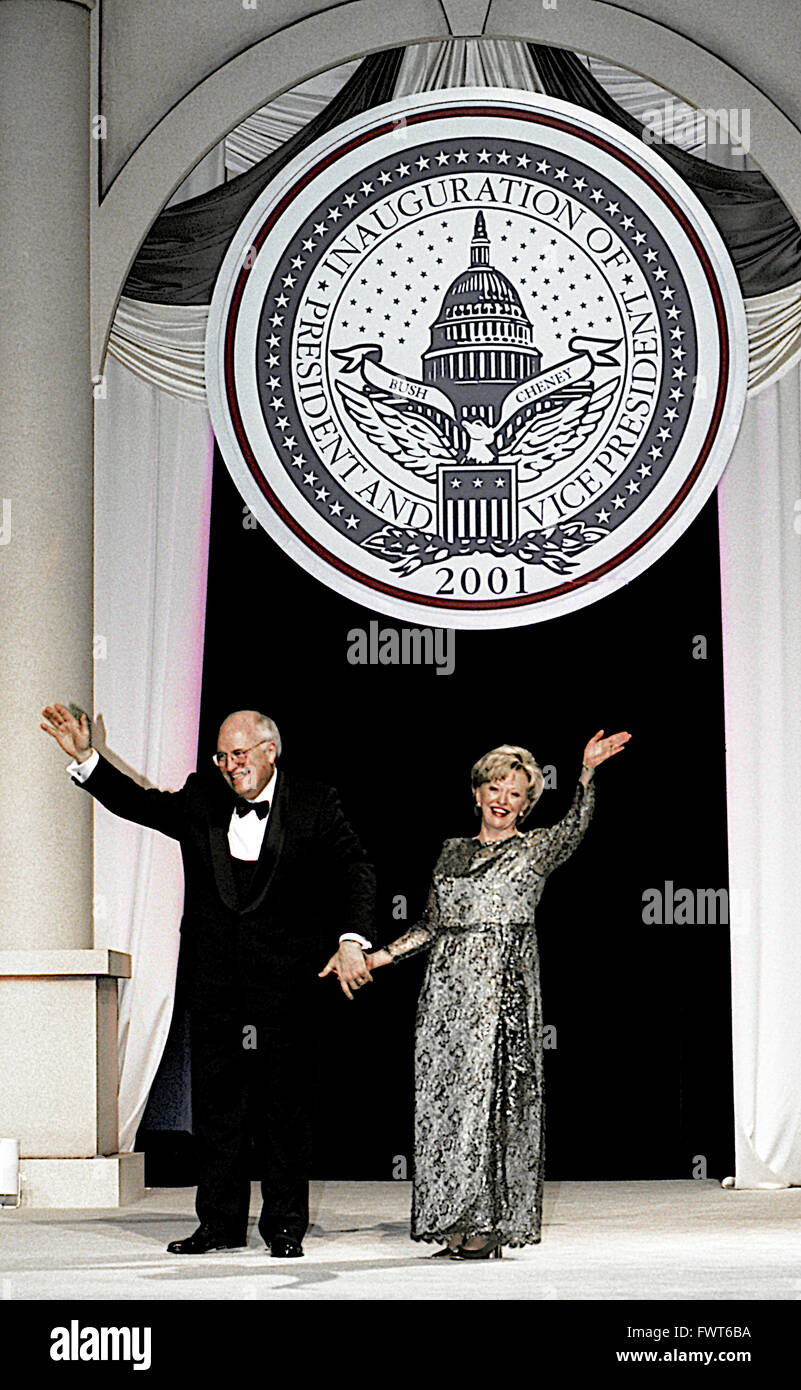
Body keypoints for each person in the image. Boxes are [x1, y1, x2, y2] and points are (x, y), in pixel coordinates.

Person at [40, 703, 375, 1258]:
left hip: (288, 989)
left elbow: (357, 869)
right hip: (216, 985)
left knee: (284, 1113)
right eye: (221, 755)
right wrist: (86, 760)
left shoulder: (316, 802)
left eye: (238, 754)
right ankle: (218, 1225)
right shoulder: (202, 797)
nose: (228, 764)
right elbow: (139, 804)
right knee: (218, 1111)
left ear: (271, 750)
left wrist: (351, 939)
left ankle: (285, 1227)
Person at [365, 728, 630, 1260]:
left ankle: (489, 1226)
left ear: (527, 802)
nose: (502, 800)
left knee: (494, 1106)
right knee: (447, 1109)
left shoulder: (533, 850)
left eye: (515, 792)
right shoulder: (452, 851)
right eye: (494, 788)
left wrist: (586, 774)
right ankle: (455, 1221)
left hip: (503, 993)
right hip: (444, 995)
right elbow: (430, 924)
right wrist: (377, 957)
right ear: (477, 793)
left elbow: (576, 827)